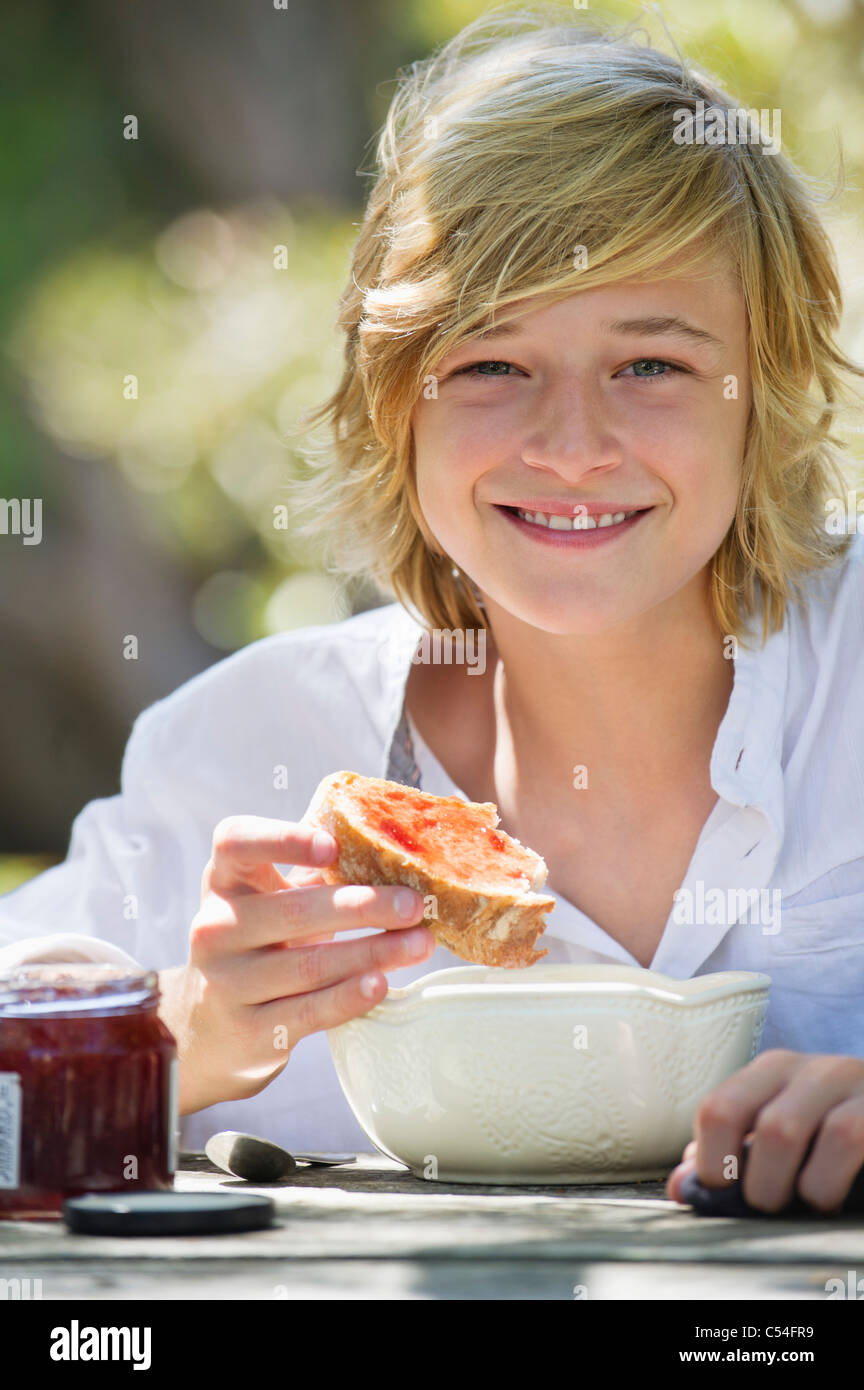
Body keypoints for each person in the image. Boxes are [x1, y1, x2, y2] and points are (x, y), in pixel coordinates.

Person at [2, 4, 864, 1212]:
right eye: (491, 365)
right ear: (394, 403)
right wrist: (179, 1041)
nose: (571, 445)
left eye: (652, 365)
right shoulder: (251, 753)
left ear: (760, 395)